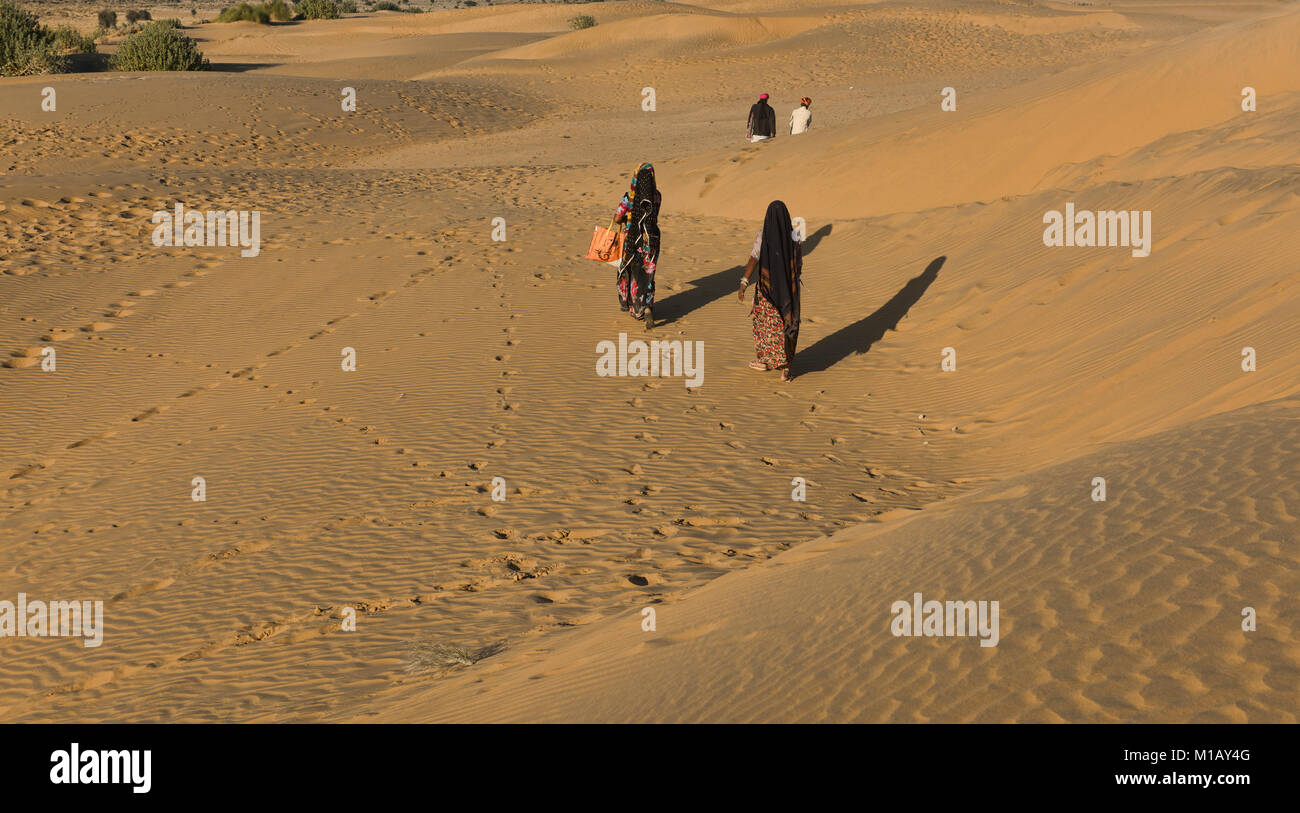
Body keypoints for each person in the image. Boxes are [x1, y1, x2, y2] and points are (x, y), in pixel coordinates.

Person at [738, 200, 802, 381]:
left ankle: (765, 360)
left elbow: (754, 258)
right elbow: (798, 264)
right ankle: (785, 370)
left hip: (767, 289)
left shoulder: (763, 235)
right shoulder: (795, 236)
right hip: (789, 291)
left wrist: (744, 282)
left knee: (766, 324)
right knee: (789, 324)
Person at [613, 163, 661, 328]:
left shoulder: (629, 197)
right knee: (648, 274)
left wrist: (629, 218)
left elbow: (617, 219)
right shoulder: (657, 196)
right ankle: (647, 307)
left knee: (633, 273)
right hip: (652, 241)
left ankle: (636, 309)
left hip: (633, 241)